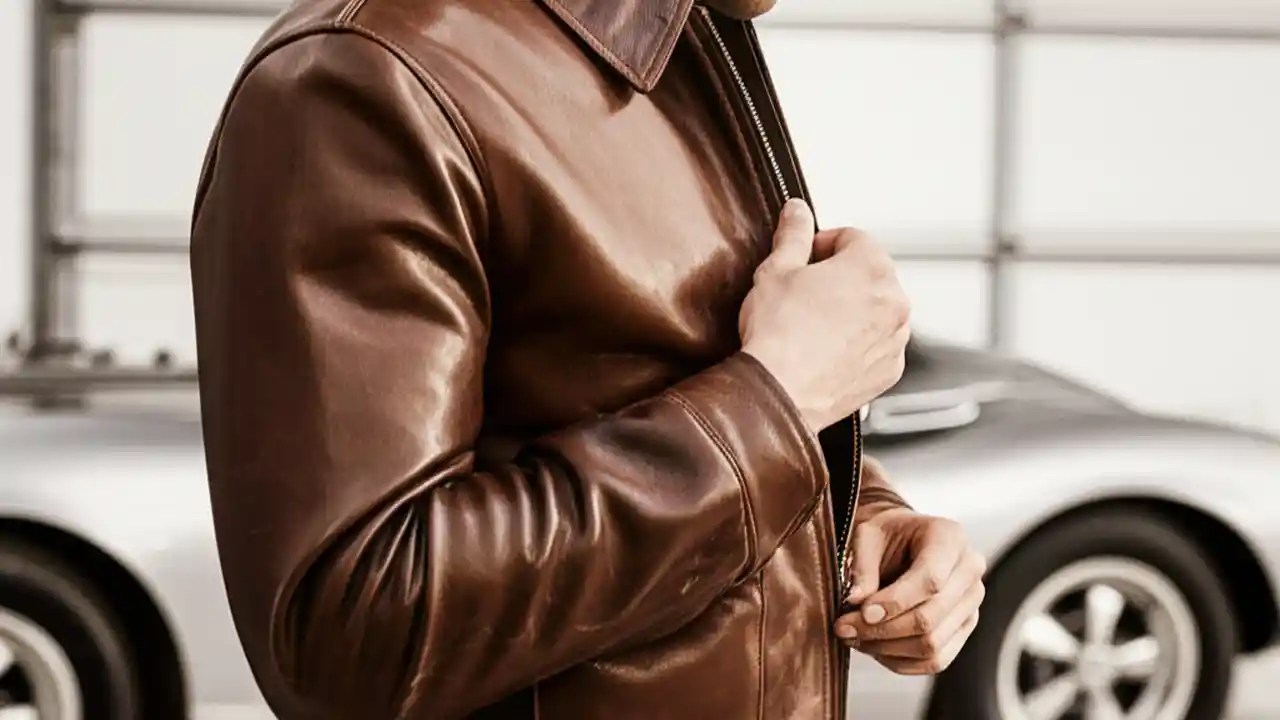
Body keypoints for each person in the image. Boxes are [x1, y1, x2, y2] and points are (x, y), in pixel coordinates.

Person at [189, 0, 987, 717]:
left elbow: (645, 395)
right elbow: (351, 631)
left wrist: (865, 519)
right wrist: (776, 404)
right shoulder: (365, 74)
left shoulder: (686, 36)